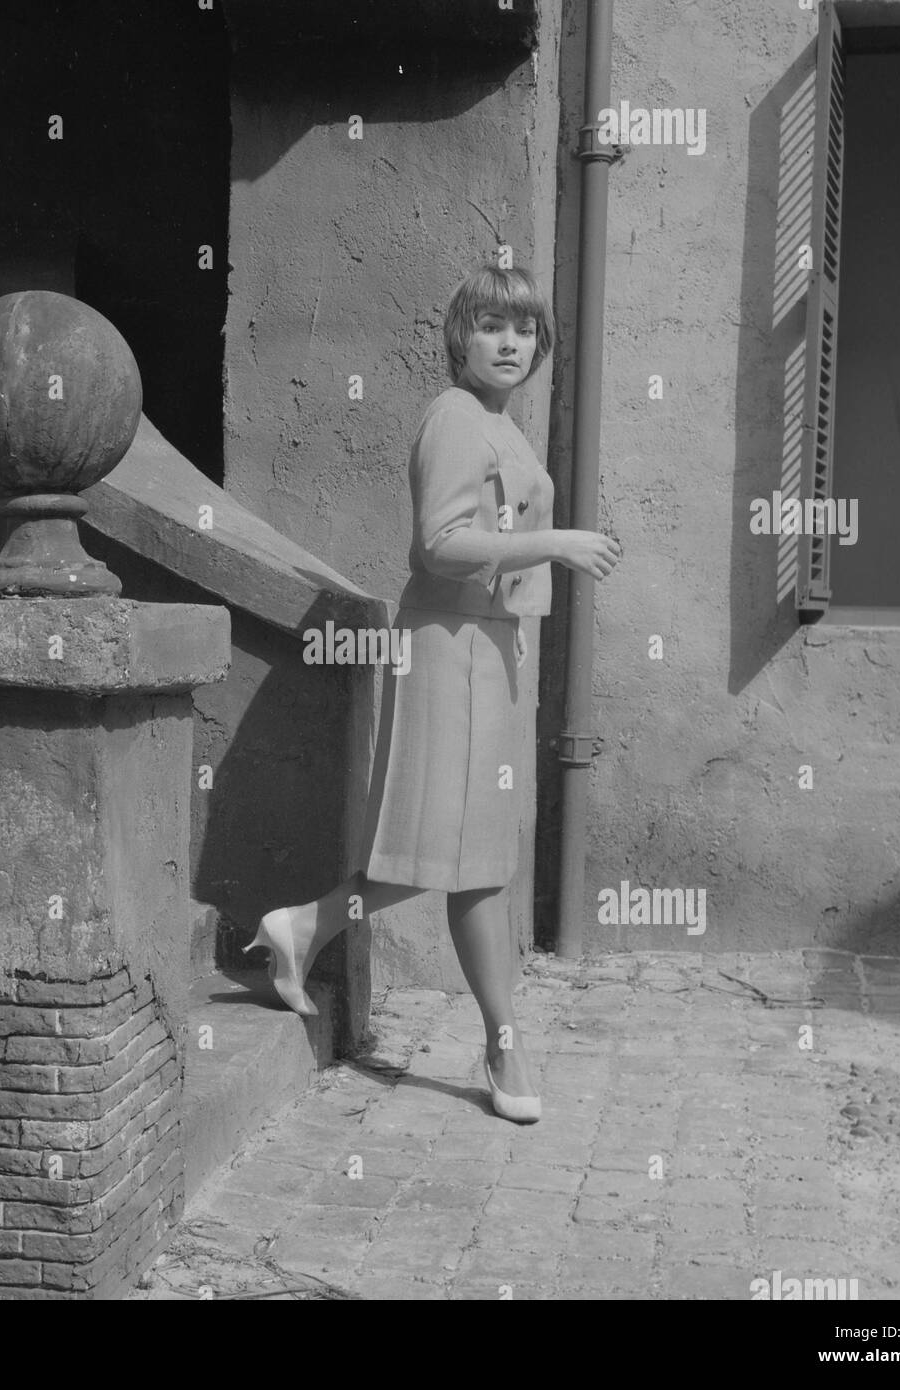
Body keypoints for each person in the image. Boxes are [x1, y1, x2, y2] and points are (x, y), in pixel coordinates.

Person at [246, 264, 621, 1123]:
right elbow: (440, 544)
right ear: (461, 339)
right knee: (459, 854)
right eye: (492, 326)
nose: (511, 342)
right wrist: (558, 542)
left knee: (468, 852)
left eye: (525, 329)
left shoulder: (496, 423)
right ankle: (502, 1042)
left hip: (489, 651)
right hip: (452, 650)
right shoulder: (455, 418)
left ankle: (306, 927)